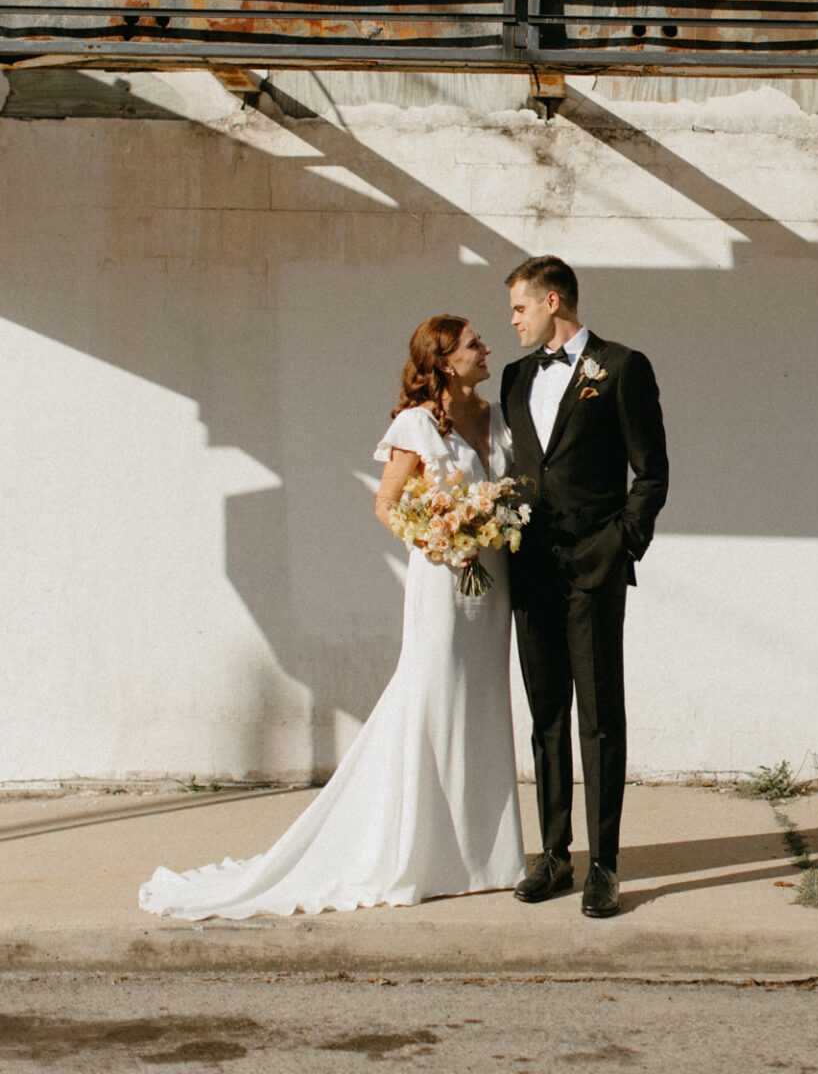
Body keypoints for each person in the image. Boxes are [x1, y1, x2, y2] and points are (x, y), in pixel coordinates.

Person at [139, 316, 525, 920]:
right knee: (433, 701)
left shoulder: (496, 417)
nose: (488, 348)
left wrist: (486, 526)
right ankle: (421, 855)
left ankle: (486, 859)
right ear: (447, 361)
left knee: (482, 705)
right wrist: (440, 537)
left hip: (493, 584)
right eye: (476, 344)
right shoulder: (417, 424)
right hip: (444, 579)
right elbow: (386, 504)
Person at [501, 257, 668, 919]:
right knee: (546, 716)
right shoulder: (516, 377)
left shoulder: (622, 367)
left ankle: (605, 865)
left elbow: (650, 473)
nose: (512, 320)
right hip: (531, 568)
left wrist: (621, 542)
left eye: (519, 307)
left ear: (551, 300)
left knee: (600, 719)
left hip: (595, 567)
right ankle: (554, 856)